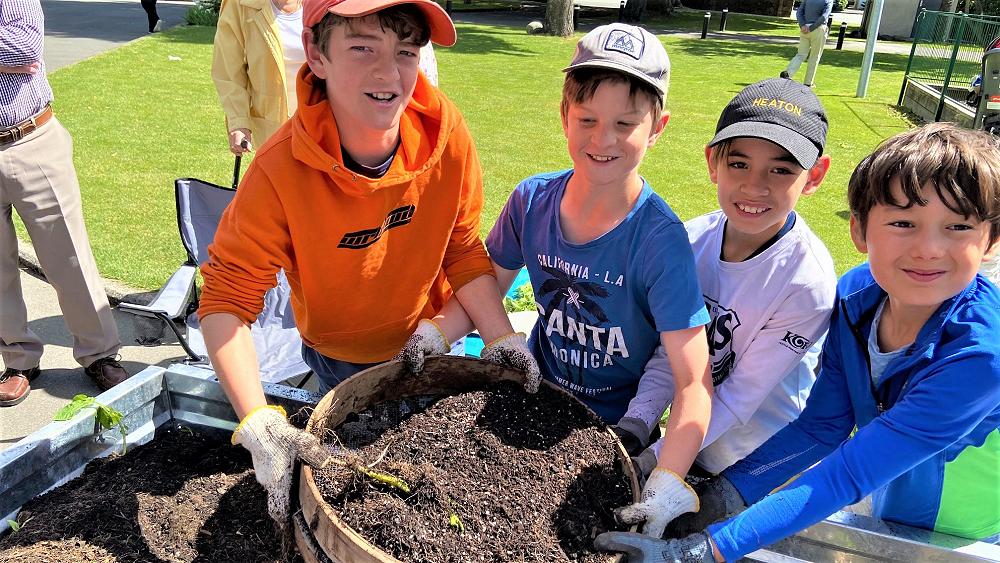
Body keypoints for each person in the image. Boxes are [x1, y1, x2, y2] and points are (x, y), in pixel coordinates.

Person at [199, 0, 539, 525]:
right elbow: (225, 300)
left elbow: (463, 247)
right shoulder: (279, 171)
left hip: (427, 345)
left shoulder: (446, 135)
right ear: (316, 54)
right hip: (337, 355)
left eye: (406, 51)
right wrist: (260, 419)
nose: (388, 73)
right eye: (362, 47)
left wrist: (499, 337)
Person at [596, 122, 1000, 561]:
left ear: (991, 239)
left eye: (958, 227)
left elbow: (847, 474)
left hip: (956, 529)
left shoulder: (979, 357)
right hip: (882, 496)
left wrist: (705, 550)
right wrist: (725, 496)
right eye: (903, 222)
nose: (929, 249)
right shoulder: (857, 297)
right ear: (860, 230)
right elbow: (822, 427)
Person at [437, 22, 712, 532]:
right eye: (586, 119)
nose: (602, 140)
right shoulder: (531, 200)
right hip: (532, 392)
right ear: (564, 116)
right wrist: (434, 334)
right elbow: (487, 285)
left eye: (625, 124)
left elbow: (694, 379)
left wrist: (670, 476)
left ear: (658, 128)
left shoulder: (660, 240)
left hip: (612, 434)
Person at [618, 78, 836, 538]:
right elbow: (670, 354)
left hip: (753, 458)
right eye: (739, 163)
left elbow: (740, 395)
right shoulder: (688, 242)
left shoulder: (806, 281)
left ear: (814, 176)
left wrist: (657, 461)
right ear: (713, 163)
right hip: (687, 440)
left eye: (780, 170)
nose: (754, 187)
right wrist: (638, 425)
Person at [0, 0, 130, 408]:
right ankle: (19, 359)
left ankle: (99, 353)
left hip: (29, 140)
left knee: (68, 257)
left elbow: (24, 48)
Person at [212, 0, 439, 156]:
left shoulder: (328, 4)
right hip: (274, 124)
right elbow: (228, 68)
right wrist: (238, 121)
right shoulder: (241, 5)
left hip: (330, 119)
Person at [779, 0, 833, 88]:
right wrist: (812, 28)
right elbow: (824, 16)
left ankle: (788, 73)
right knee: (815, 56)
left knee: (801, 54)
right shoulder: (828, 0)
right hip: (818, 28)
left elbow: (799, 12)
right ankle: (808, 82)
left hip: (805, 28)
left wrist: (802, 25)